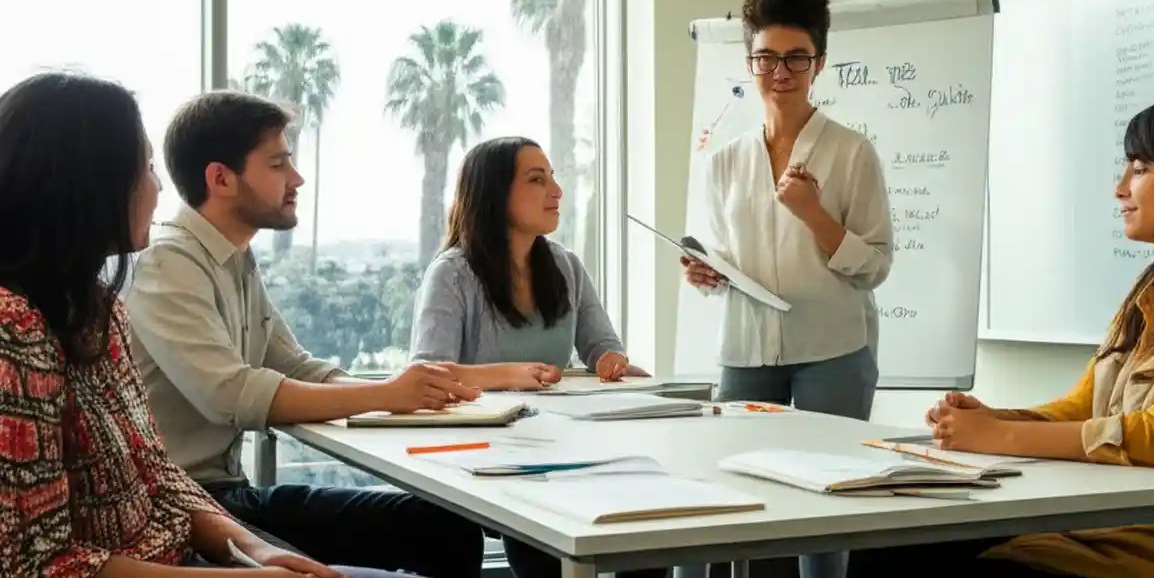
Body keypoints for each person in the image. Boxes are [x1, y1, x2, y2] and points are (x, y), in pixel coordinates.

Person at [853, 94, 1154, 577]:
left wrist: (999, 435)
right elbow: (1084, 407)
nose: (1120, 188)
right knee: (883, 548)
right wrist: (992, 419)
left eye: (1140, 169)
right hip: (1087, 526)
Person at [0, 72, 400, 577]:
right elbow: (37, 565)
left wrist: (254, 551)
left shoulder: (96, 310)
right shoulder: (12, 331)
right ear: (84, 184)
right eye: (143, 168)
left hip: (184, 544)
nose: (158, 185)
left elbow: (159, 472)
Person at [125, 90, 487, 577]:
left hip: (229, 495)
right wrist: (384, 394)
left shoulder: (234, 256)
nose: (296, 178)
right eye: (277, 165)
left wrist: (406, 393)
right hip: (186, 506)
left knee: (446, 529)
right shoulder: (170, 260)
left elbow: (292, 364)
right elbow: (230, 394)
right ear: (221, 178)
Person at [678, 0, 893, 578]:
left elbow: (874, 264)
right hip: (747, 348)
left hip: (834, 351)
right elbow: (728, 261)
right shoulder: (723, 161)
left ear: (818, 62)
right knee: (726, 499)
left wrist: (815, 216)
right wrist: (706, 271)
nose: (780, 71)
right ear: (749, 61)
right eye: (766, 57)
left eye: (796, 57)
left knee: (825, 513)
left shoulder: (853, 154)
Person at [411, 136, 660, 578]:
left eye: (553, 177)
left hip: (561, 443)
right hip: (485, 453)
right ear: (494, 193)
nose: (556, 191)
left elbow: (601, 344)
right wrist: (510, 375)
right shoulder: (452, 273)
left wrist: (612, 362)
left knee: (647, 529)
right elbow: (427, 374)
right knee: (547, 534)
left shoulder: (565, 266)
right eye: (536, 179)